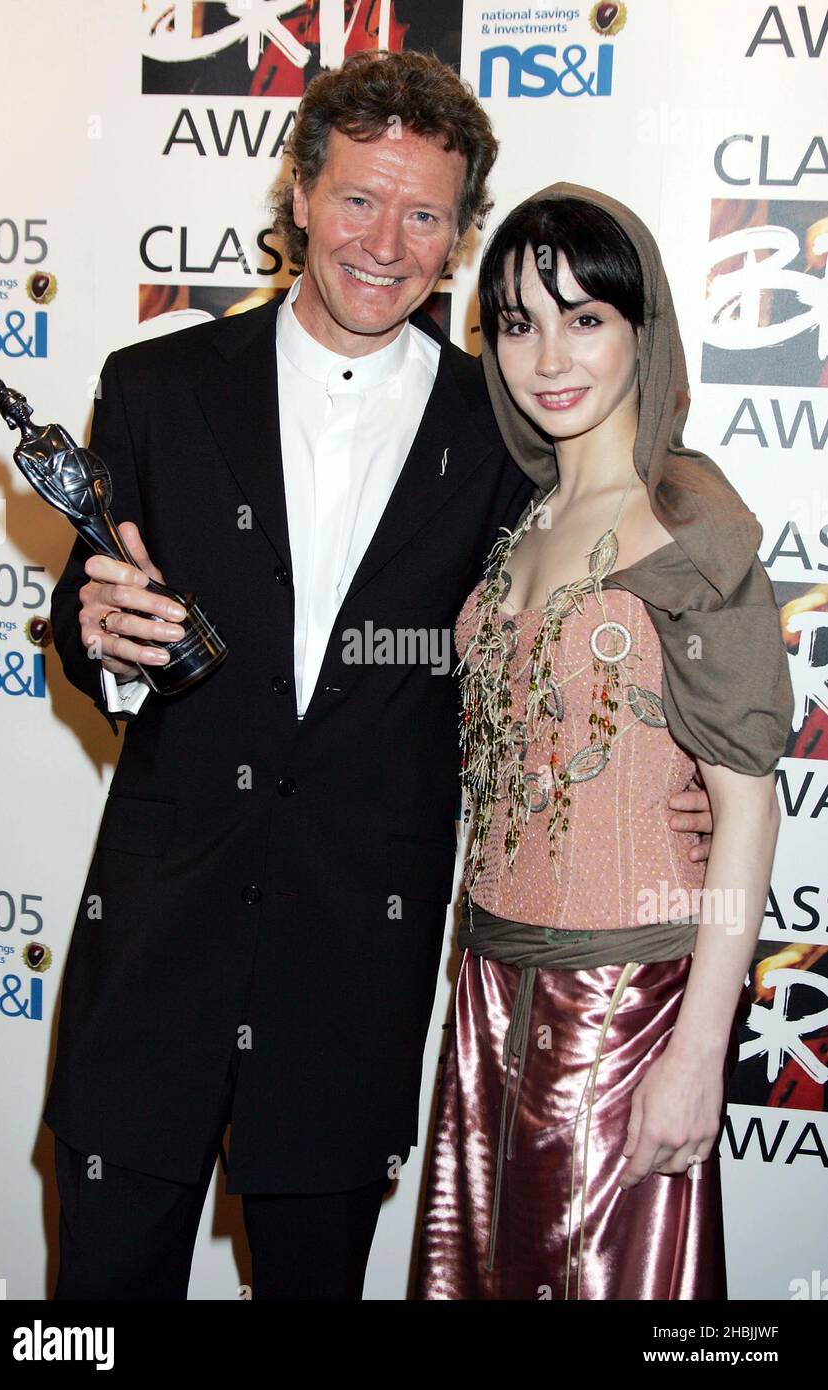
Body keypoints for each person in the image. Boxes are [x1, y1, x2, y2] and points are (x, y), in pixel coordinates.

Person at [43, 53, 711, 1301]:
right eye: (357, 199)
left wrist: (679, 782)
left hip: (356, 960)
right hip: (153, 948)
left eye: (424, 215)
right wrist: (99, 638)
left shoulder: (506, 429)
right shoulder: (154, 388)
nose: (385, 243)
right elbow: (81, 624)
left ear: (459, 238)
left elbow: (620, 564)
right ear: (298, 194)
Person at [415, 184, 793, 1301]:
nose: (547, 355)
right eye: (520, 322)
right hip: (484, 990)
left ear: (644, 329)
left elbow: (747, 809)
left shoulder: (688, 522)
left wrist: (694, 1054)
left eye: (585, 316)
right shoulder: (519, 522)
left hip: (626, 1007)